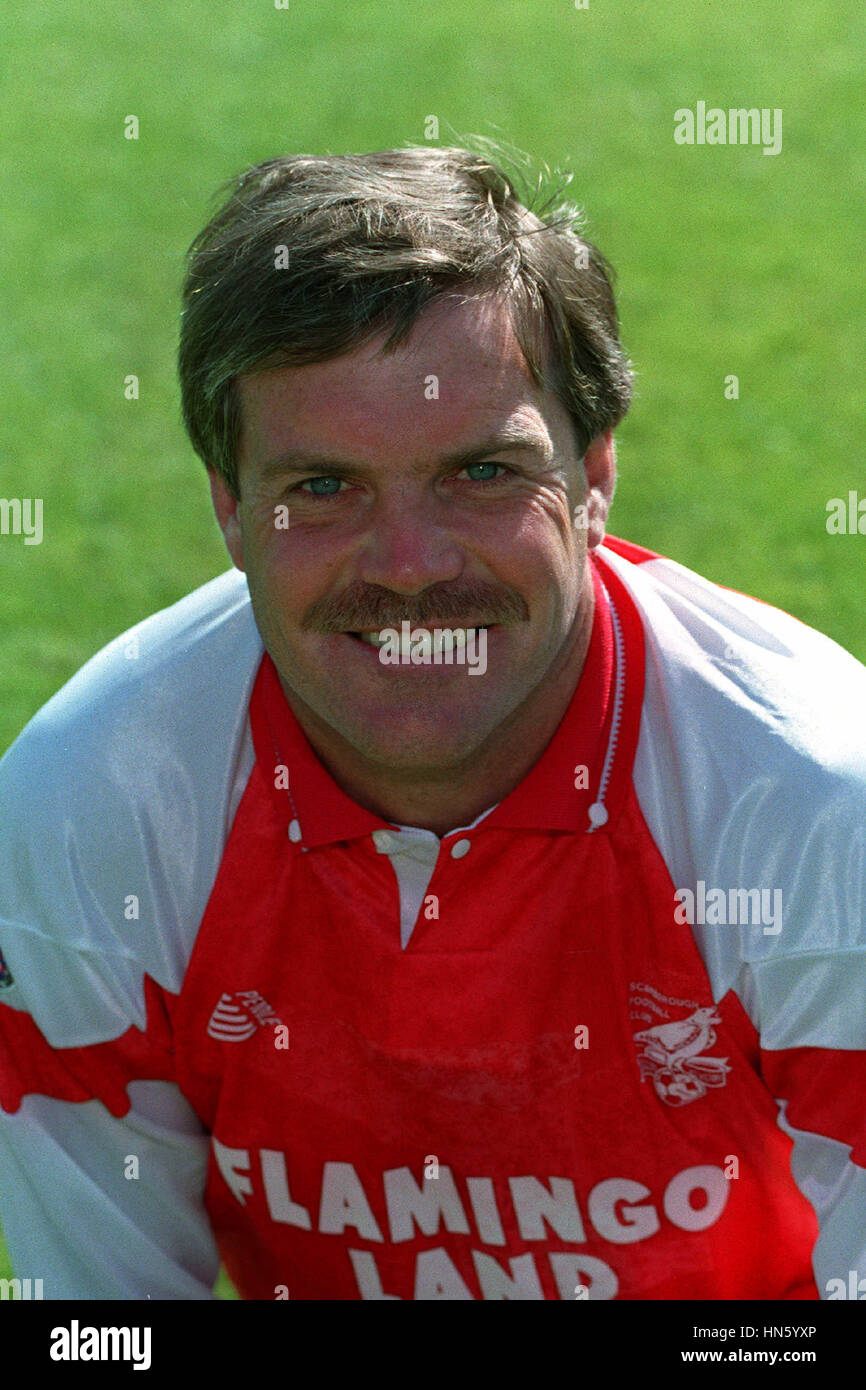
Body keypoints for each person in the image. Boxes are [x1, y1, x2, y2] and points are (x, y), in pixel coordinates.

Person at [0, 145, 863, 1302]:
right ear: (229, 505)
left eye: (481, 473)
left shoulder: (815, 809)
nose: (408, 569)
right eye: (323, 487)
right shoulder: (86, 806)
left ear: (596, 473)